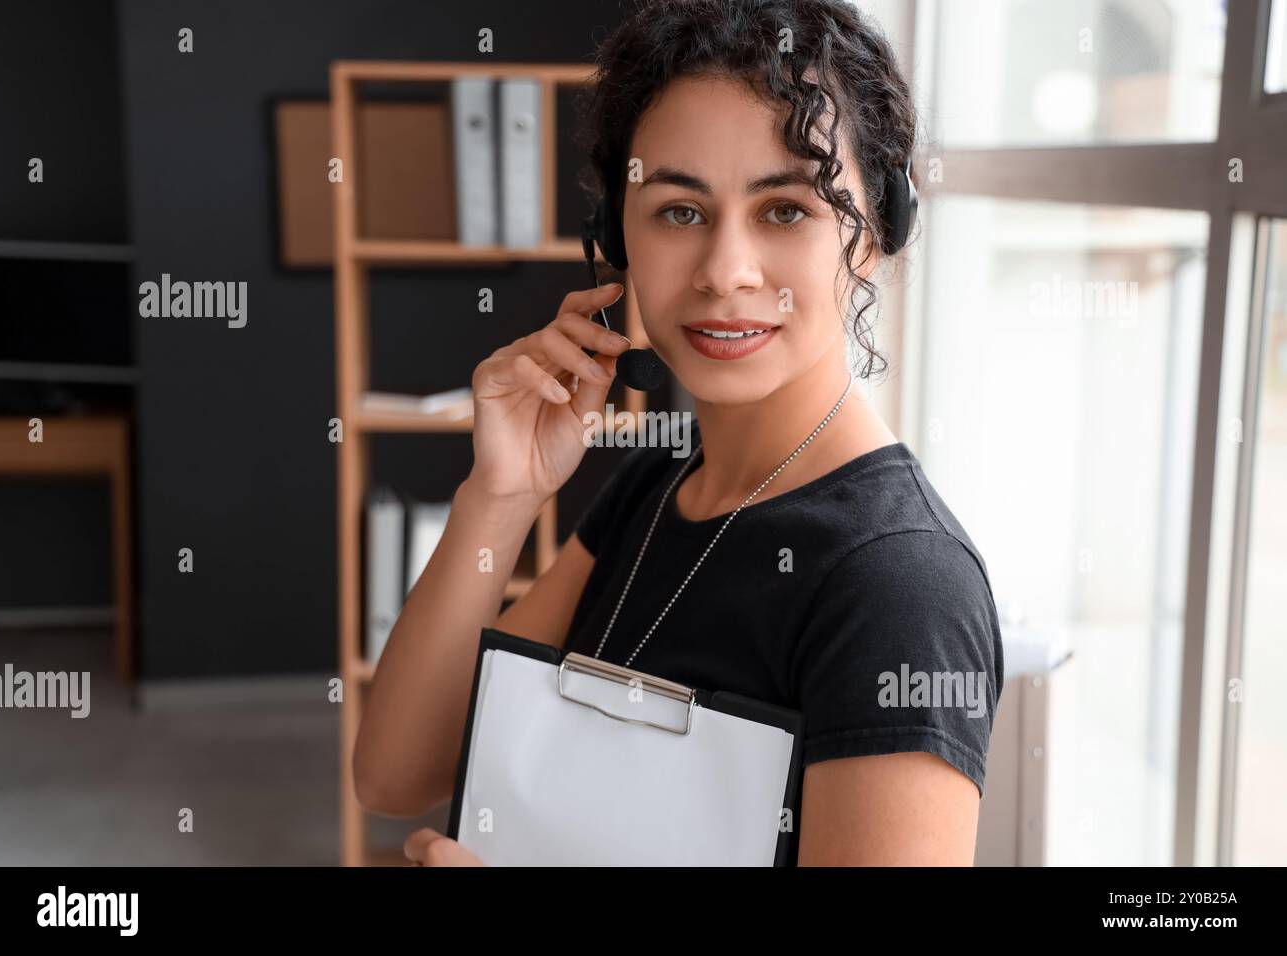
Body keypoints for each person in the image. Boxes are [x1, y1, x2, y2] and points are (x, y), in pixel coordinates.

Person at [354, 0, 1004, 866]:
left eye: (785, 211)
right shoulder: (656, 490)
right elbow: (394, 774)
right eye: (679, 212)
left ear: (874, 235)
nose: (725, 272)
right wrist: (502, 495)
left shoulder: (899, 586)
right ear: (613, 240)